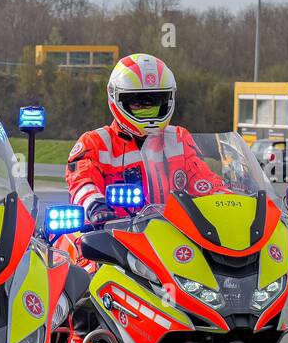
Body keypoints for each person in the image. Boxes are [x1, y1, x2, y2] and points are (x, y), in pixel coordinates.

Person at [65, 52, 224, 225]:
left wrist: (227, 198)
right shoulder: (95, 143)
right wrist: (95, 206)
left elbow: (203, 180)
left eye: (154, 102)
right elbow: (81, 182)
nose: (146, 108)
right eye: (137, 103)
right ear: (116, 98)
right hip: (112, 237)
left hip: (174, 235)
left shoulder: (178, 139)